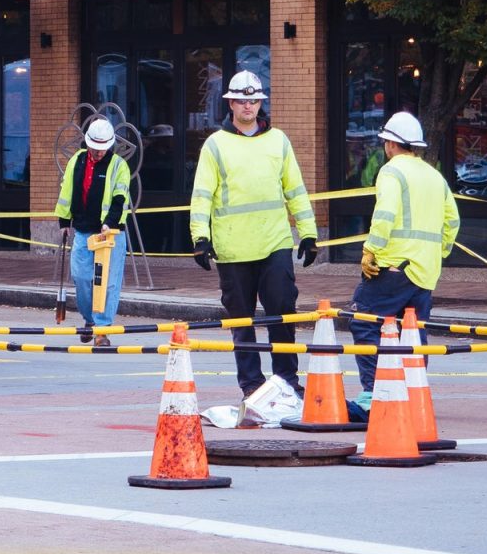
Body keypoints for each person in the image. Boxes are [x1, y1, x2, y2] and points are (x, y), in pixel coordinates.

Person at [188, 71, 320, 399]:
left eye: (254, 100)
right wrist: (200, 238)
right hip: (233, 248)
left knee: (282, 311)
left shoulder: (279, 141)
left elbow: (296, 190)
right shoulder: (215, 145)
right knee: (241, 321)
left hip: (274, 242)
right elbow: (202, 195)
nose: (249, 106)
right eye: (242, 100)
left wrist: (308, 233)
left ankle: (287, 382)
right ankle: (252, 387)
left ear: (261, 103)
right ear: (230, 103)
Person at [350, 112, 460, 402]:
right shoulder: (435, 176)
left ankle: (375, 394)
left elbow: (385, 214)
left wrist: (370, 249)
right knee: (412, 333)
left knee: (364, 322)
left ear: (390, 144)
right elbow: (453, 221)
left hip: (393, 266)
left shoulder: (391, 171)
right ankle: (413, 394)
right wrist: (439, 252)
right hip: (424, 271)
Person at [55, 117, 131, 345]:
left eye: (102, 149)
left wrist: (110, 222)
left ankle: (102, 329)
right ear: (88, 143)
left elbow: (120, 198)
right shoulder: (77, 161)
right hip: (82, 230)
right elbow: (67, 190)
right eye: (95, 148)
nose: (98, 153)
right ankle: (89, 320)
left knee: (108, 283)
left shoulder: (119, 165)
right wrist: (63, 222)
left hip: (110, 234)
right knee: (81, 277)